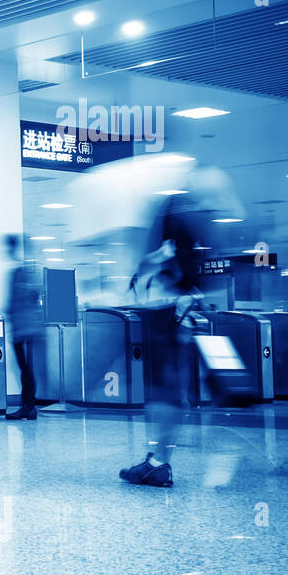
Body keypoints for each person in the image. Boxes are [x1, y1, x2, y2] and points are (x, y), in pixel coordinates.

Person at [120, 187, 220, 487]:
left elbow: (144, 274)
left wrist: (152, 260)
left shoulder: (166, 255)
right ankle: (158, 459)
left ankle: (158, 463)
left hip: (162, 325)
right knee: (173, 395)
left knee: (164, 395)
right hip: (176, 328)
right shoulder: (190, 261)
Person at [3, 234, 42, 421]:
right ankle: (28, 405)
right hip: (24, 327)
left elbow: (16, 301)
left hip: (24, 329)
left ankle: (29, 406)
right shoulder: (26, 271)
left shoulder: (21, 272)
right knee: (25, 368)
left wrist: (10, 313)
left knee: (25, 368)